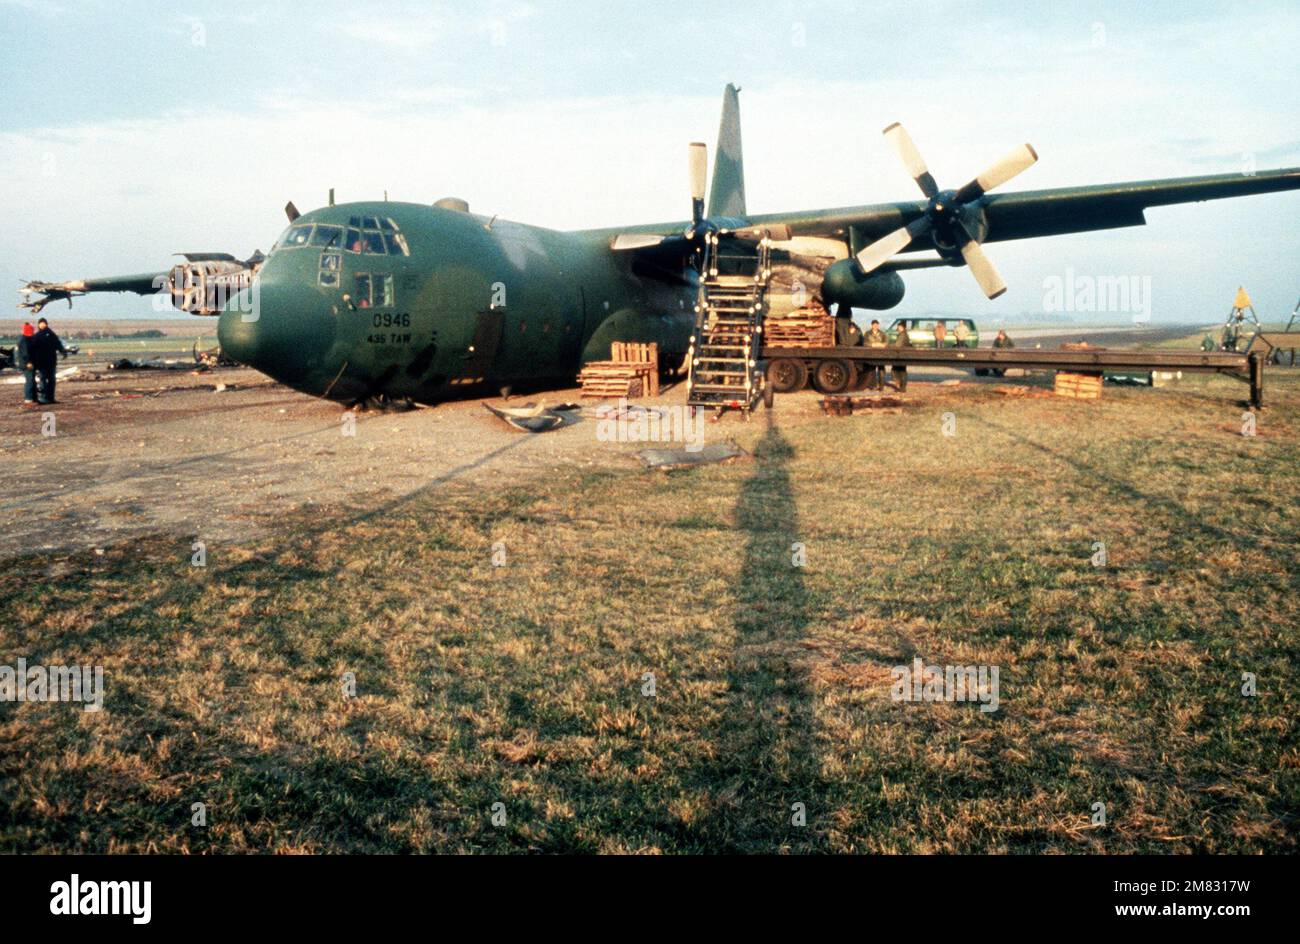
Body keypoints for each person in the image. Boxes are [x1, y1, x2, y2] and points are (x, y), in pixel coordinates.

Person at [32, 317, 67, 405]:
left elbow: (58, 344)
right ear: (38, 325)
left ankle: (51, 398)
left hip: (51, 361)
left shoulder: (52, 334)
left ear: (46, 324)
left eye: (44, 323)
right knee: (42, 379)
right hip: (41, 362)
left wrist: (63, 352)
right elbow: (32, 348)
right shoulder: (37, 336)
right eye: (41, 323)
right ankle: (43, 398)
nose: (42, 325)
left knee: (52, 380)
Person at [16, 322, 38, 407]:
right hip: (27, 364)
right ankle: (28, 399)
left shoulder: (24, 339)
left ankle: (33, 398)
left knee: (32, 380)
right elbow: (25, 353)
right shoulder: (24, 340)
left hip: (28, 363)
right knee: (29, 381)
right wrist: (28, 362)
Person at [864, 318, 887, 388]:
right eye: (874, 325)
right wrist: (872, 345)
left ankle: (881, 386)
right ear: (872, 325)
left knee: (881, 370)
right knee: (871, 370)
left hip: (881, 354)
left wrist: (881, 345)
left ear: (878, 325)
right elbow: (864, 343)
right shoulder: (867, 333)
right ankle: (872, 385)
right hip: (871, 354)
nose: (875, 326)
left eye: (877, 325)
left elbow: (886, 342)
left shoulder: (882, 334)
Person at [891, 319, 911, 392]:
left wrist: (888, 346)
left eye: (899, 327)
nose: (898, 328)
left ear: (902, 327)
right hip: (902, 355)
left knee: (899, 370)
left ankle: (902, 387)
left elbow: (897, 345)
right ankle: (901, 387)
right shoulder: (904, 334)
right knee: (900, 370)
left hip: (901, 355)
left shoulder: (902, 335)